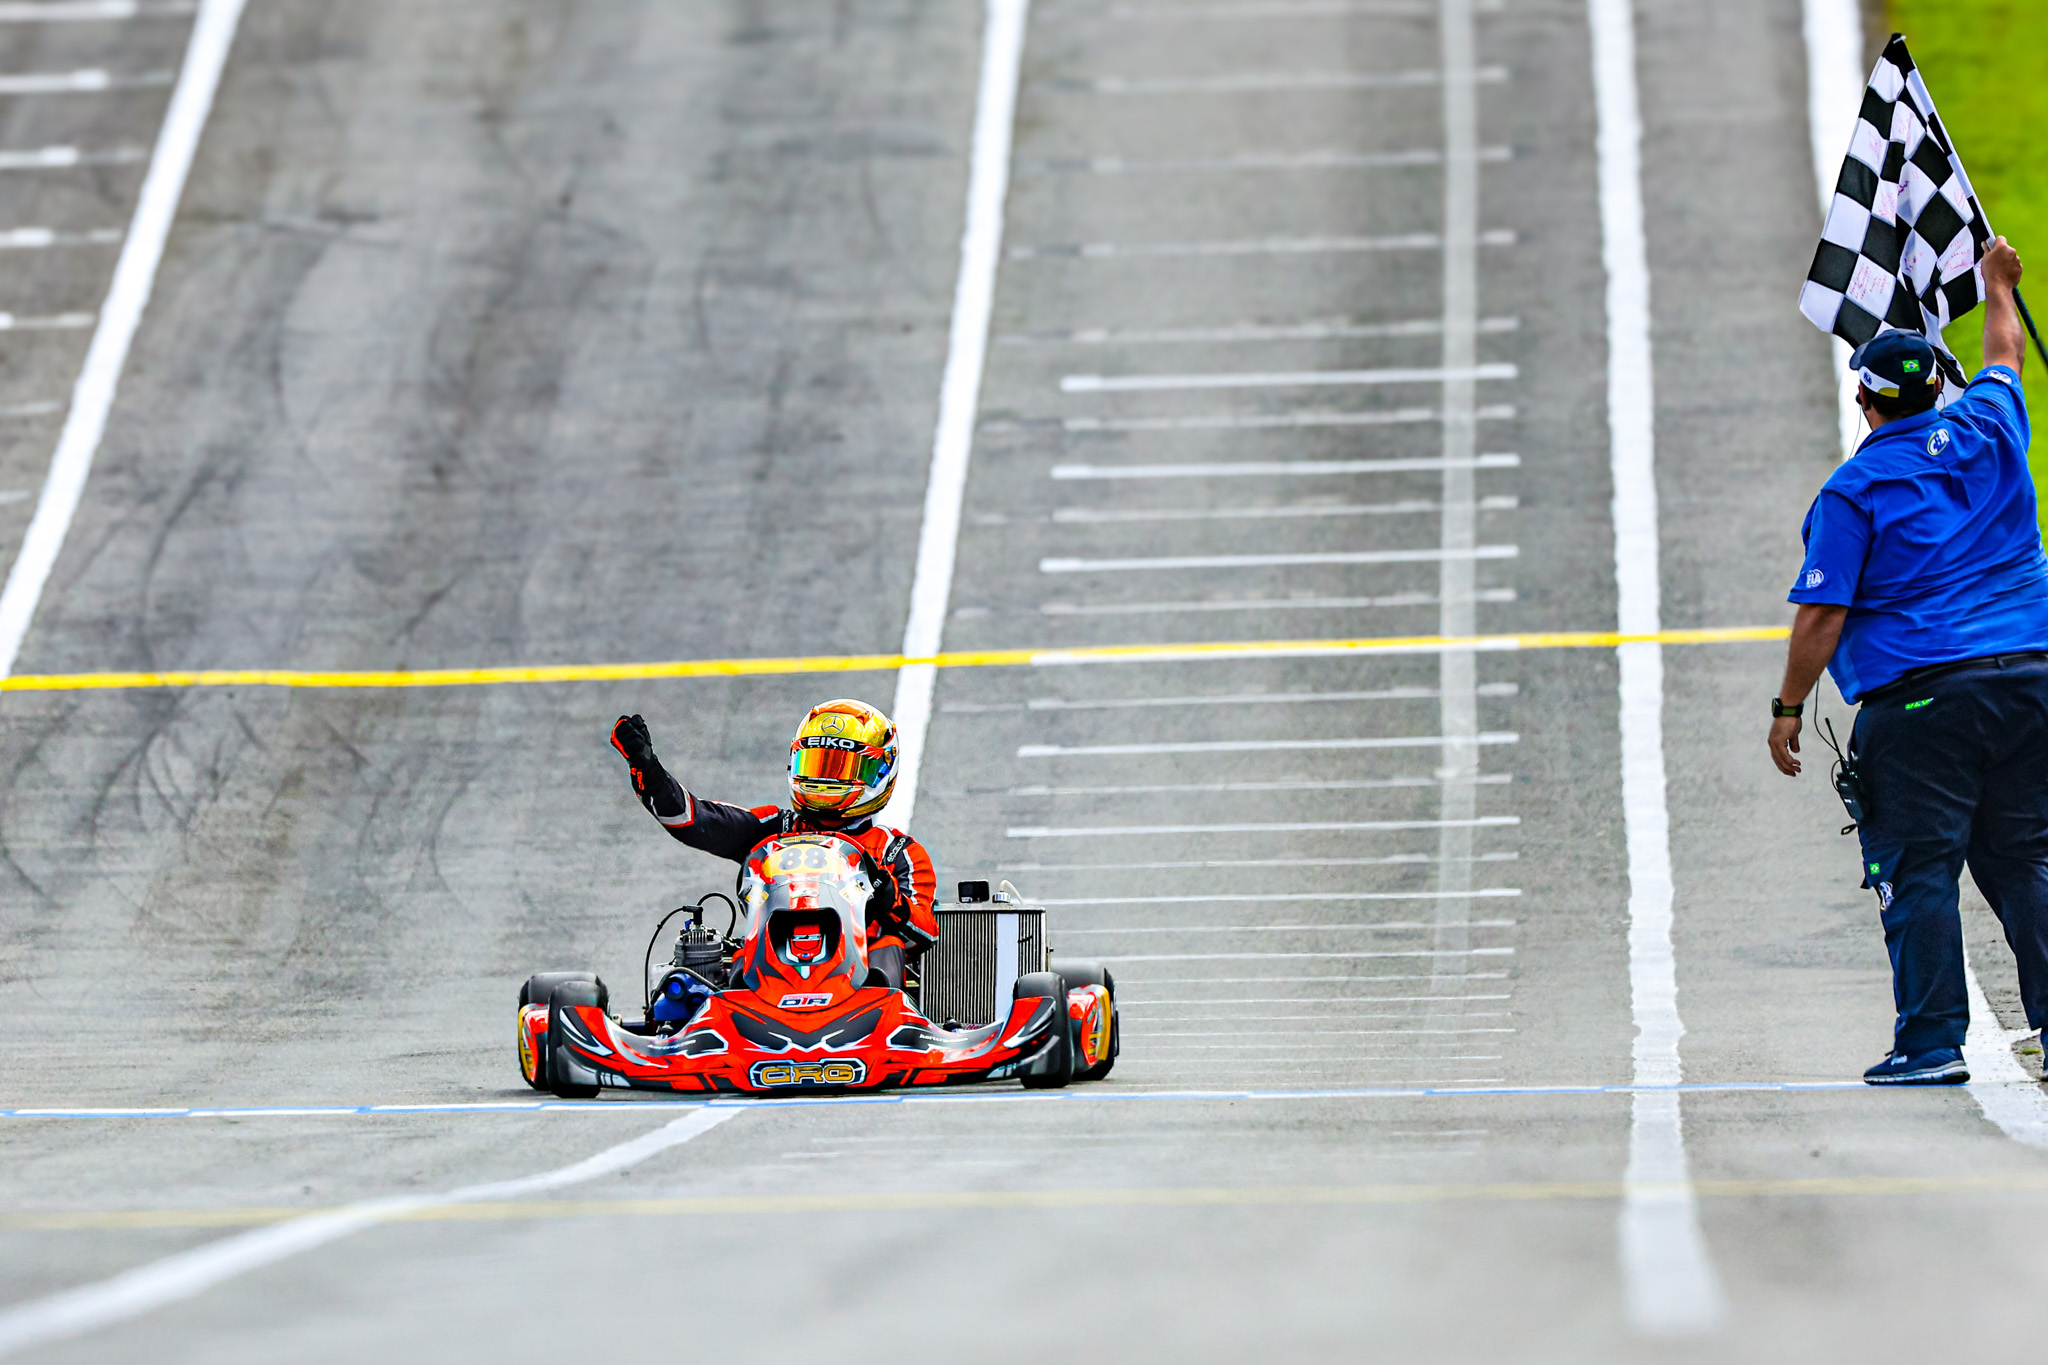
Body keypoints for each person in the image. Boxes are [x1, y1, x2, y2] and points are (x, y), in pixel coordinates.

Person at [1769, 236, 2048, 1085]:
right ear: (1937, 385)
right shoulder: (1991, 423)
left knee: (1916, 865)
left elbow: (1823, 611)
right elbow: (2004, 353)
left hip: (1924, 703)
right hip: (2032, 679)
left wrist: (1787, 708)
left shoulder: (1856, 490)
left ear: (1864, 399)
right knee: (2026, 855)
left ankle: (1929, 1043)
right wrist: (1999, 282)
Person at [610, 699, 938, 989]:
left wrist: (887, 897)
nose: (824, 779)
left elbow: (926, 935)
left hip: (861, 986)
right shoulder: (772, 828)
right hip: (768, 976)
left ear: (879, 773)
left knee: (889, 947)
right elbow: (694, 820)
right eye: (816, 764)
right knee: (738, 954)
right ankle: (729, 1018)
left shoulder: (897, 852)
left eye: (839, 768)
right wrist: (648, 770)